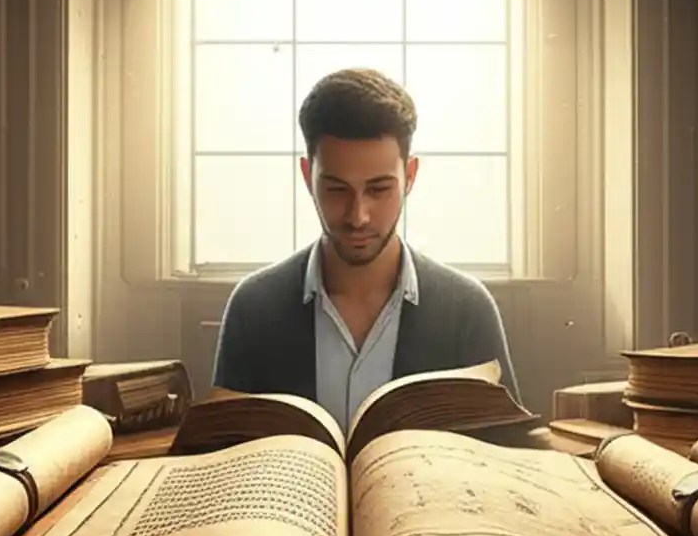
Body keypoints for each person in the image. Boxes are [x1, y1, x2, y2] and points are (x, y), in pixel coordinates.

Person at [210, 67, 521, 430]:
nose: (358, 216)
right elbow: (222, 456)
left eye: (379, 189)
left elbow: (508, 457)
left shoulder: (467, 309)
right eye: (337, 189)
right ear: (308, 176)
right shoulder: (253, 306)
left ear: (411, 176)